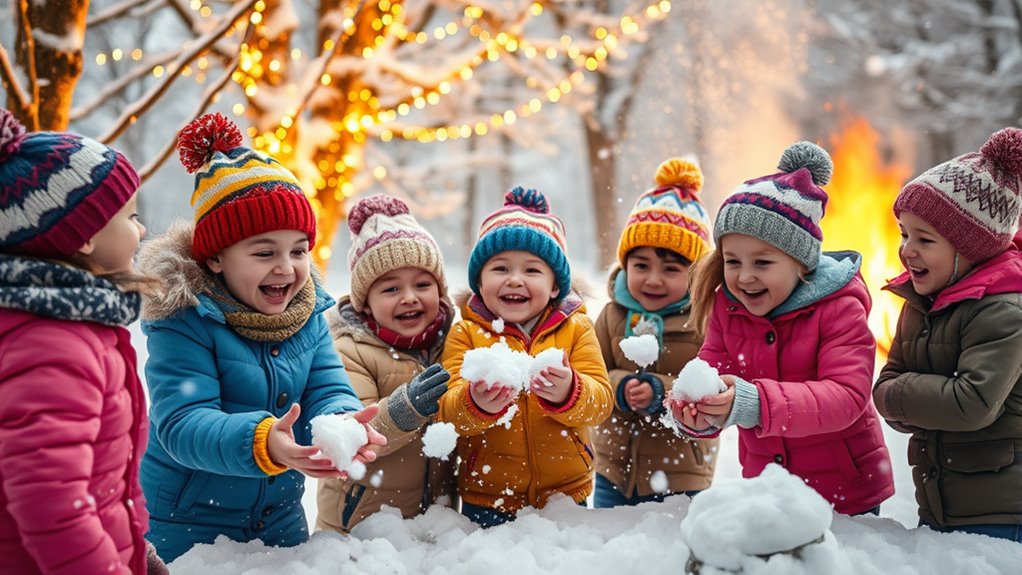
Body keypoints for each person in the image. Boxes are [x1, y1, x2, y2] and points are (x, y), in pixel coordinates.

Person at [137, 113, 383, 561]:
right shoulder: (183, 320)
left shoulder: (306, 316)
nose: (286, 267)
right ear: (215, 259)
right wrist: (263, 440)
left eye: (298, 251)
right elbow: (182, 422)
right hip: (187, 520)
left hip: (279, 516)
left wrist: (341, 422)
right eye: (264, 252)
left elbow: (325, 388)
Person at [673, 141, 894, 516]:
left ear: (800, 262)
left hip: (844, 495)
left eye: (762, 262)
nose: (744, 277)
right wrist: (700, 413)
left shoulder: (839, 308)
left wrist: (755, 403)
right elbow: (717, 378)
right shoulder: (729, 308)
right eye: (732, 261)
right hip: (770, 490)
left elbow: (846, 397)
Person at [0, 109, 167, 573]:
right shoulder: (52, 345)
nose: (141, 229)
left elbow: (100, 481)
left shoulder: (73, 327)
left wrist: (136, 551)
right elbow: (53, 507)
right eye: (131, 216)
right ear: (86, 236)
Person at [874, 127, 1022, 542]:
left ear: (973, 248)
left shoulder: (1004, 311)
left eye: (925, 239)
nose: (907, 250)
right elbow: (888, 383)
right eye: (904, 234)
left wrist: (901, 396)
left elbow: (972, 403)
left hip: (1002, 512)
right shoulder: (920, 305)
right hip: (942, 502)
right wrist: (904, 395)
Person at [438, 187, 612, 527]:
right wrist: (475, 402)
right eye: (500, 269)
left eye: (532, 271)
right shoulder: (466, 334)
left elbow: (601, 402)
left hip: (566, 495)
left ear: (555, 286)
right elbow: (447, 414)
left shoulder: (577, 330)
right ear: (480, 282)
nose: (515, 279)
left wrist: (569, 393)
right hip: (488, 496)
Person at [316, 194, 455, 533]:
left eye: (423, 285)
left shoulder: (451, 341)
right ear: (366, 303)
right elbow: (352, 432)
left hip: (432, 522)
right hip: (360, 527)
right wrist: (403, 410)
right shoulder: (350, 350)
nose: (409, 297)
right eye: (391, 289)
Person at [592, 158, 718, 507]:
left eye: (671, 268)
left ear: (696, 273)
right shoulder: (611, 316)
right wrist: (620, 387)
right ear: (625, 264)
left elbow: (715, 387)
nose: (653, 279)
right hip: (612, 470)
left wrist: (660, 391)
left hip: (681, 472)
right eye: (641, 265)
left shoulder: (706, 320)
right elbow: (592, 372)